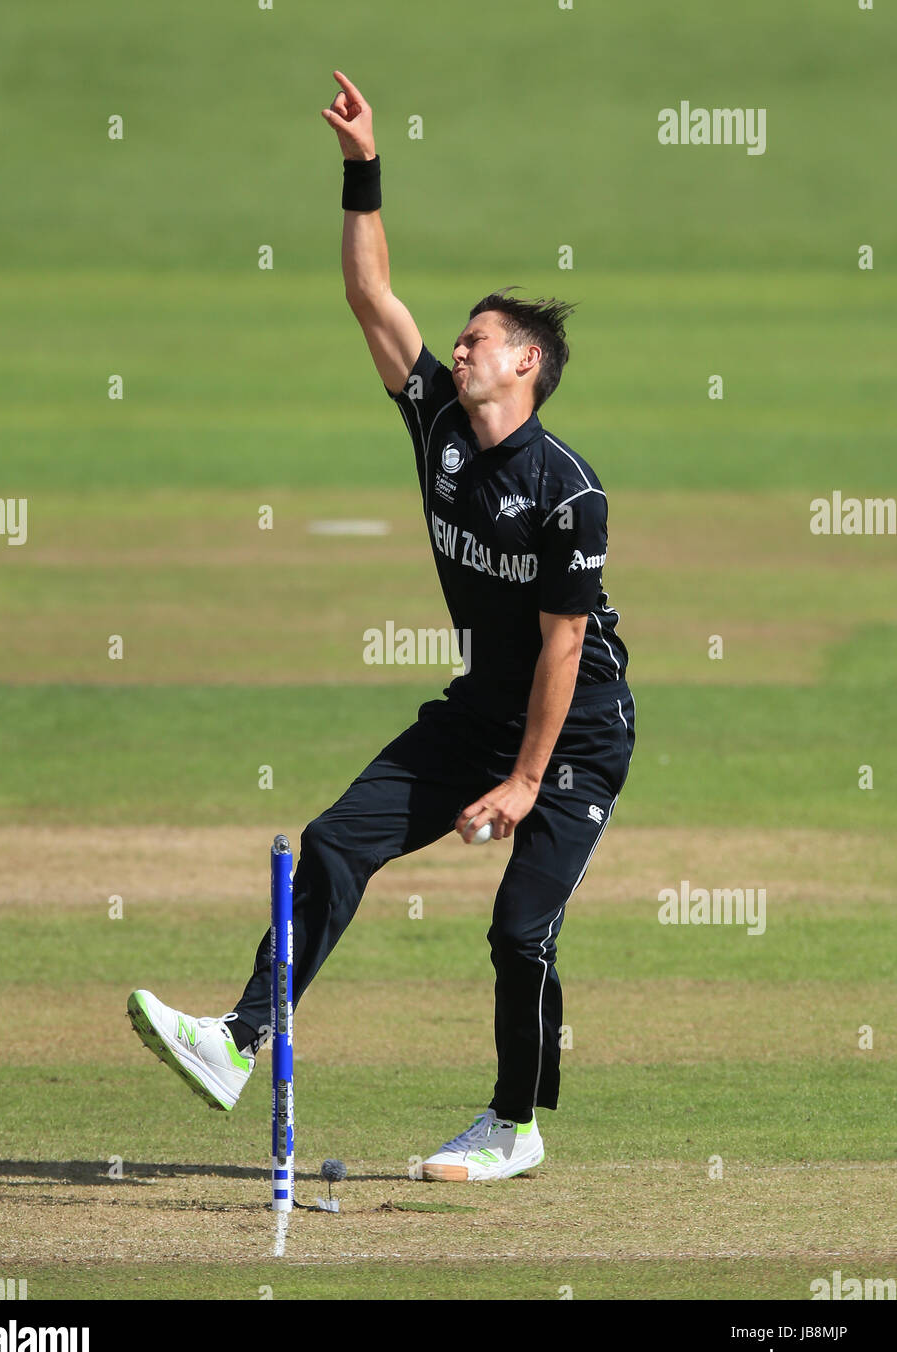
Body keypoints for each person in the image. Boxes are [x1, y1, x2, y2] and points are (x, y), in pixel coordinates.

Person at [127, 70, 635, 1183]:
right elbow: (371, 296)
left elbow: (561, 645)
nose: (458, 346)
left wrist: (522, 781)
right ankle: (237, 1040)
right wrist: (363, 168)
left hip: (577, 729)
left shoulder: (567, 493)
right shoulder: (440, 427)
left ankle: (513, 1123)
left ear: (527, 367)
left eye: (480, 337)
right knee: (332, 844)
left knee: (517, 933)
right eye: (457, 336)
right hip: (479, 714)